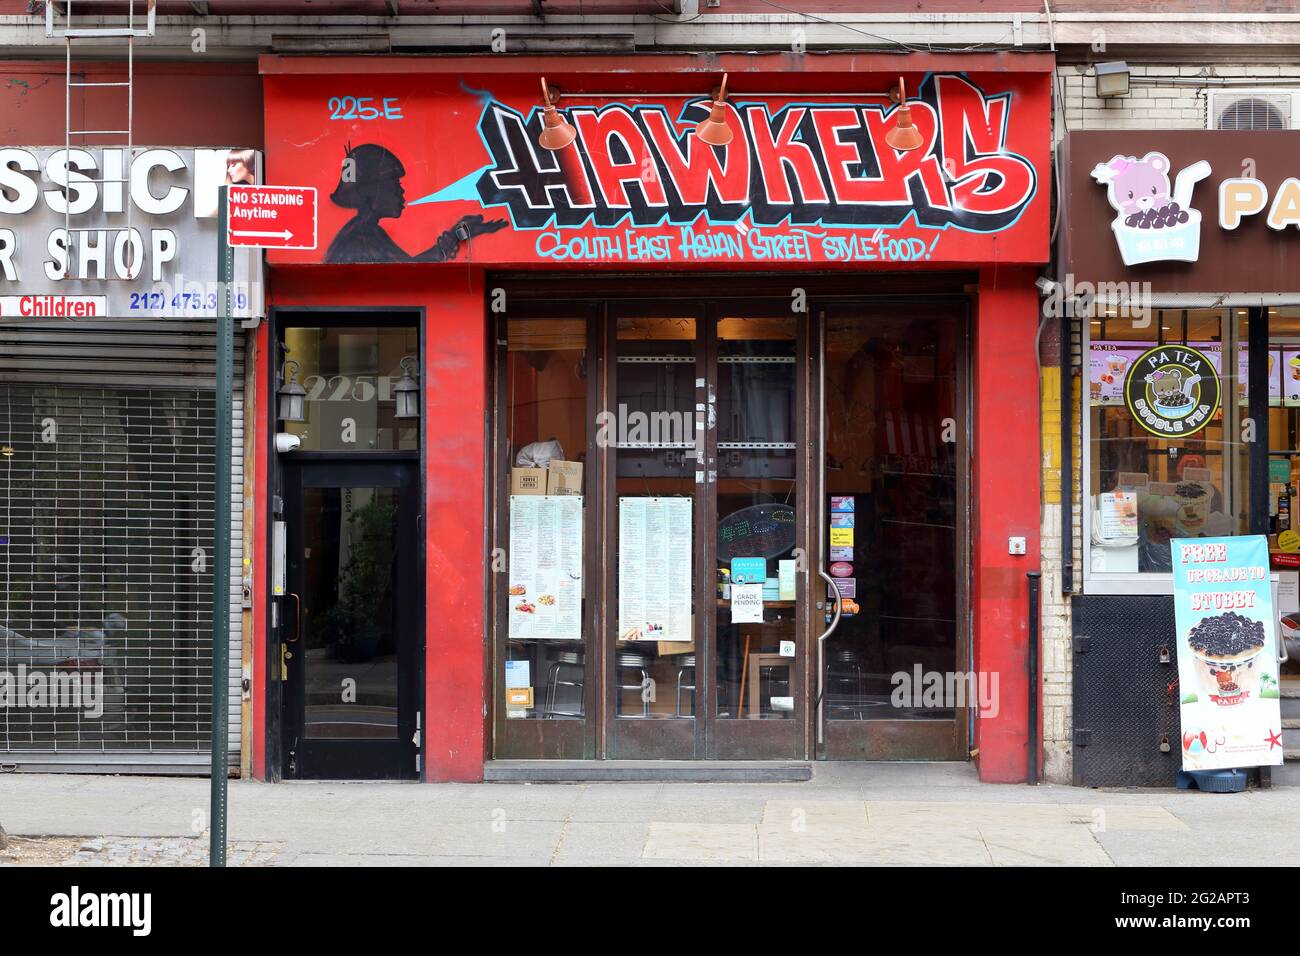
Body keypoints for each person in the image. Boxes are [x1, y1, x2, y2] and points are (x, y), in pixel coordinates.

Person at [325, 143, 507, 263]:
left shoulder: (367, 232)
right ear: (372, 191)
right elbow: (406, 271)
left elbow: (407, 267)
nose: (401, 191)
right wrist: (452, 238)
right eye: (395, 184)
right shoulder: (360, 240)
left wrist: (453, 237)